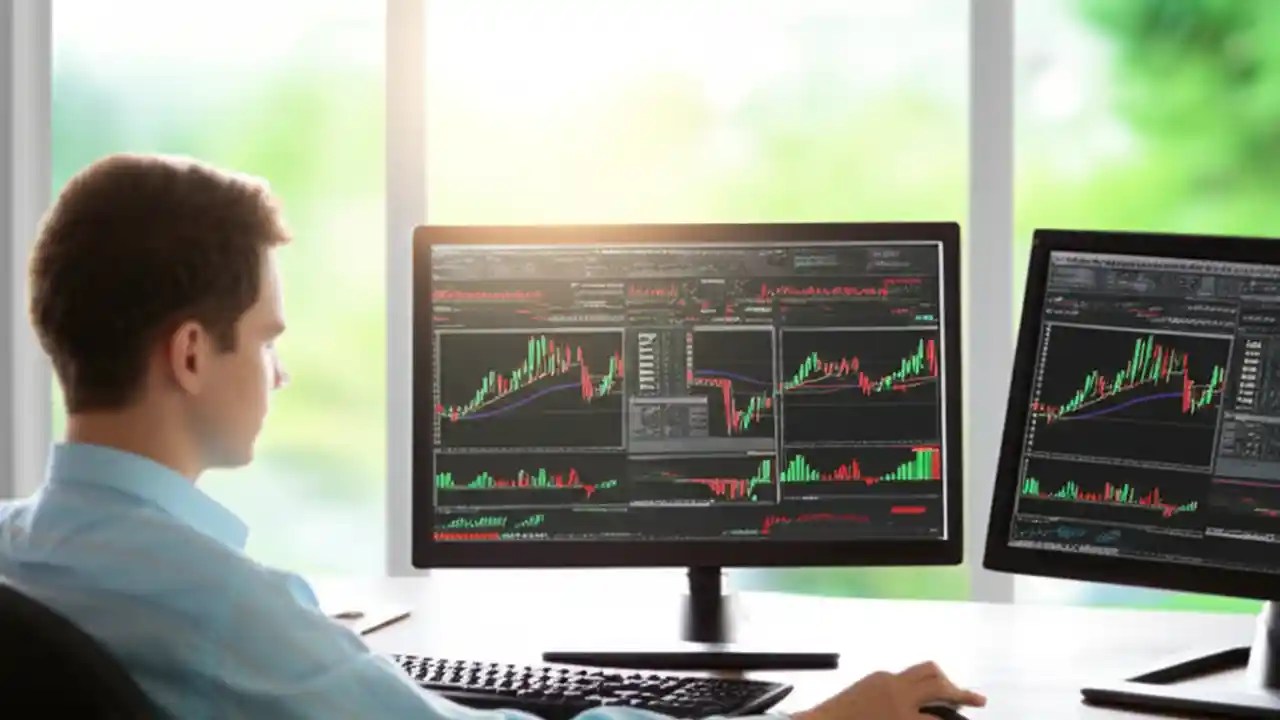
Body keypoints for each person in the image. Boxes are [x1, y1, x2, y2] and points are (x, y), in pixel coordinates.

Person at [0, 153, 988, 720]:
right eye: (265, 339)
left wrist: (318, 654)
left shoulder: (17, 553)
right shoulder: (227, 613)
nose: (280, 370)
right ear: (186, 355)